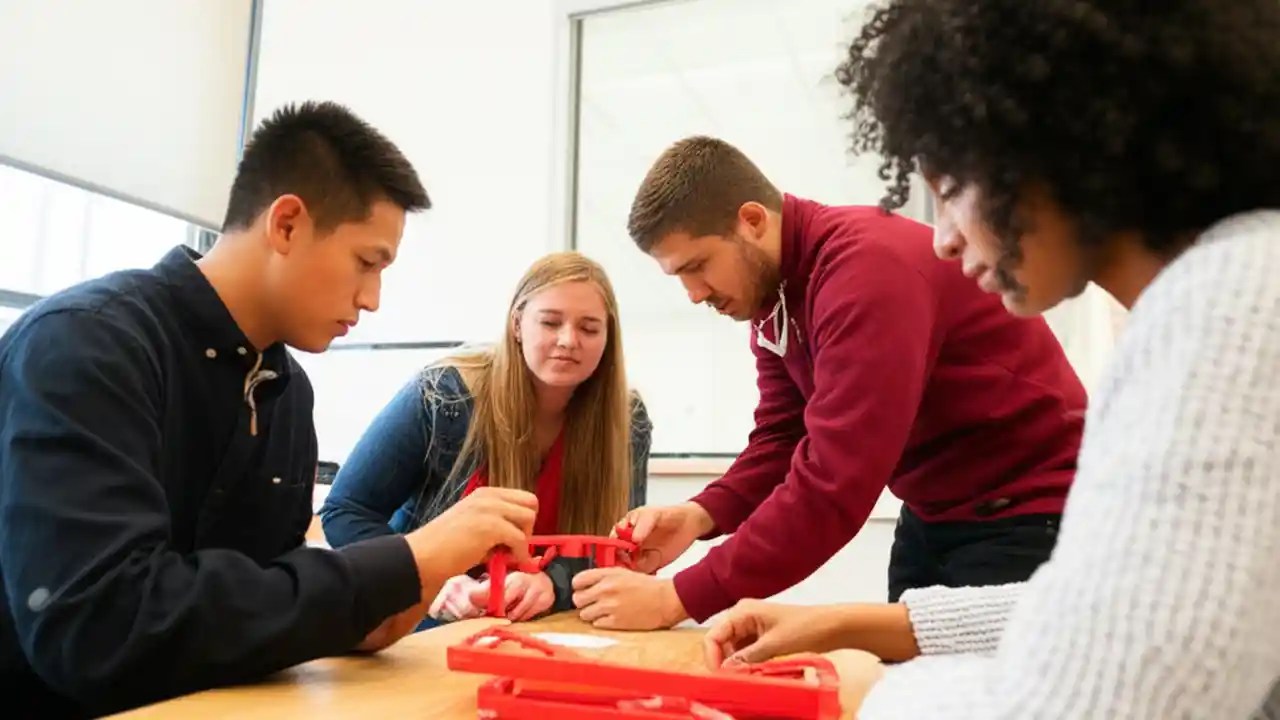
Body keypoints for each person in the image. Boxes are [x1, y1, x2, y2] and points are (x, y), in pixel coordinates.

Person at [702, 0, 1280, 717]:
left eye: (949, 192)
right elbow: (1096, 605)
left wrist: (873, 688)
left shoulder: (1231, 305)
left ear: (1058, 149)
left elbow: (1106, 703)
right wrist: (864, 625)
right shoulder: (1232, 282)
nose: (942, 239)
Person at [0, 101, 539, 716]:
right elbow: (102, 627)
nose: (373, 299)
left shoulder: (286, 390)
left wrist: (375, 611)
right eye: (368, 262)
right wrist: (406, 559)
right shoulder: (86, 346)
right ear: (286, 224)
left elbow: (263, 592)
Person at [570, 134, 1087, 630]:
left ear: (751, 221)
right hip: (933, 518)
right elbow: (783, 436)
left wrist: (676, 597)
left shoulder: (864, 275)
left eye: (698, 266)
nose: (694, 293)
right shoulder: (775, 295)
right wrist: (701, 514)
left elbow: (834, 482)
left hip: (1027, 520)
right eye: (677, 276)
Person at [321, 251, 652, 624]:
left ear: (608, 338)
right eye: (550, 322)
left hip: (546, 626)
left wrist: (552, 585)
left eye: (589, 329)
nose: (567, 340)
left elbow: (620, 547)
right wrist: (424, 578)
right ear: (517, 325)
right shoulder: (443, 394)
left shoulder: (628, 420)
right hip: (419, 623)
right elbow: (346, 511)